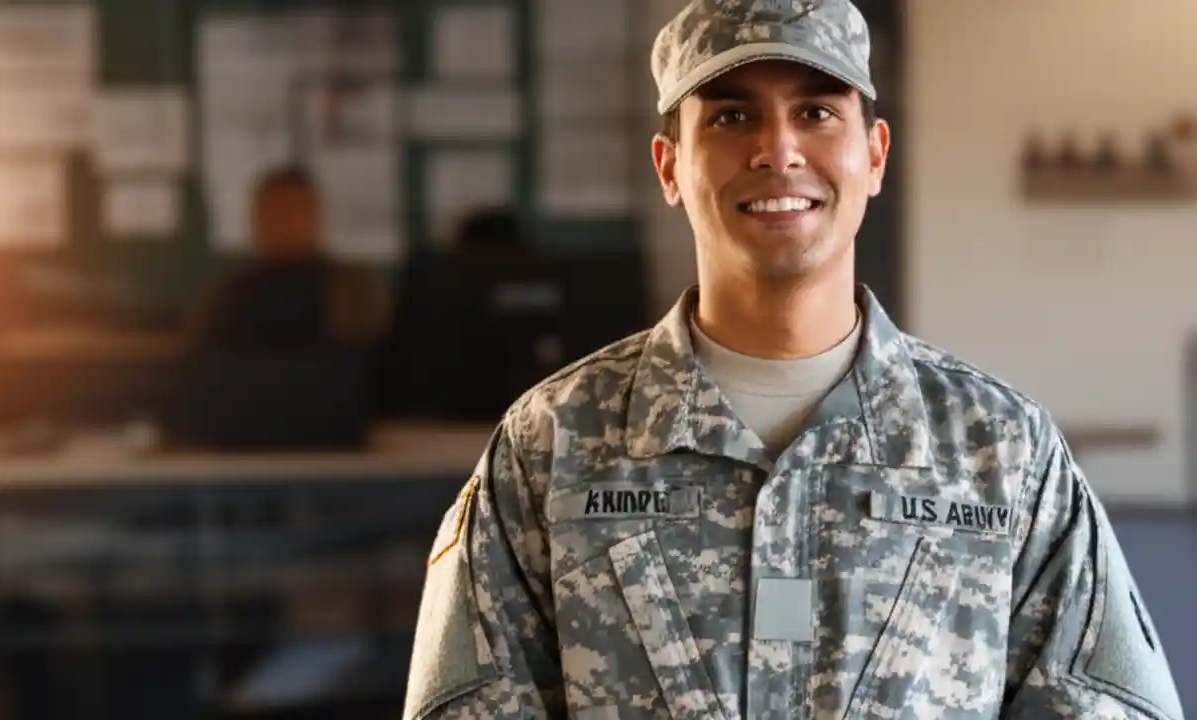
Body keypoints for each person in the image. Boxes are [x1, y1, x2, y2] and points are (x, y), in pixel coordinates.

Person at [403, 1, 1185, 718]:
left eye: (815, 112)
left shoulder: (1001, 452)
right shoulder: (552, 446)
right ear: (669, 165)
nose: (777, 148)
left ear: (874, 155)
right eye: (731, 116)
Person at [186, 165, 388, 348]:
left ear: (315, 218)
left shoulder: (350, 290)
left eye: (291, 212)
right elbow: (198, 365)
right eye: (270, 213)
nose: (280, 223)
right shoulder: (230, 296)